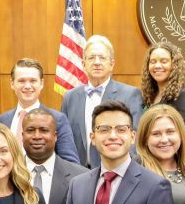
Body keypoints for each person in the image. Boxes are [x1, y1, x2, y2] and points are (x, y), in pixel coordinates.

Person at [60, 35, 144, 167]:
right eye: (92, 58)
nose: (97, 62)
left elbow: (136, 139)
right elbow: (64, 141)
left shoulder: (130, 94)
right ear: (83, 64)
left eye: (102, 58)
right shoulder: (69, 97)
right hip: (78, 175)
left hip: (118, 172)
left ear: (112, 64)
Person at [0, 58, 79, 164]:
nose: (27, 86)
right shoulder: (1, 121)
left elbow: (70, 163)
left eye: (33, 81)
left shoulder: (58, 119)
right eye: (21, 81)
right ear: (12, 83)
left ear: (41, 83)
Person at [139, 41, 185, 129]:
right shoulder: (149, 96)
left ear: (174, 65)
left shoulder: (183, 96)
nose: (157, 66)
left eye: (164, 61)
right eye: (153, 62)